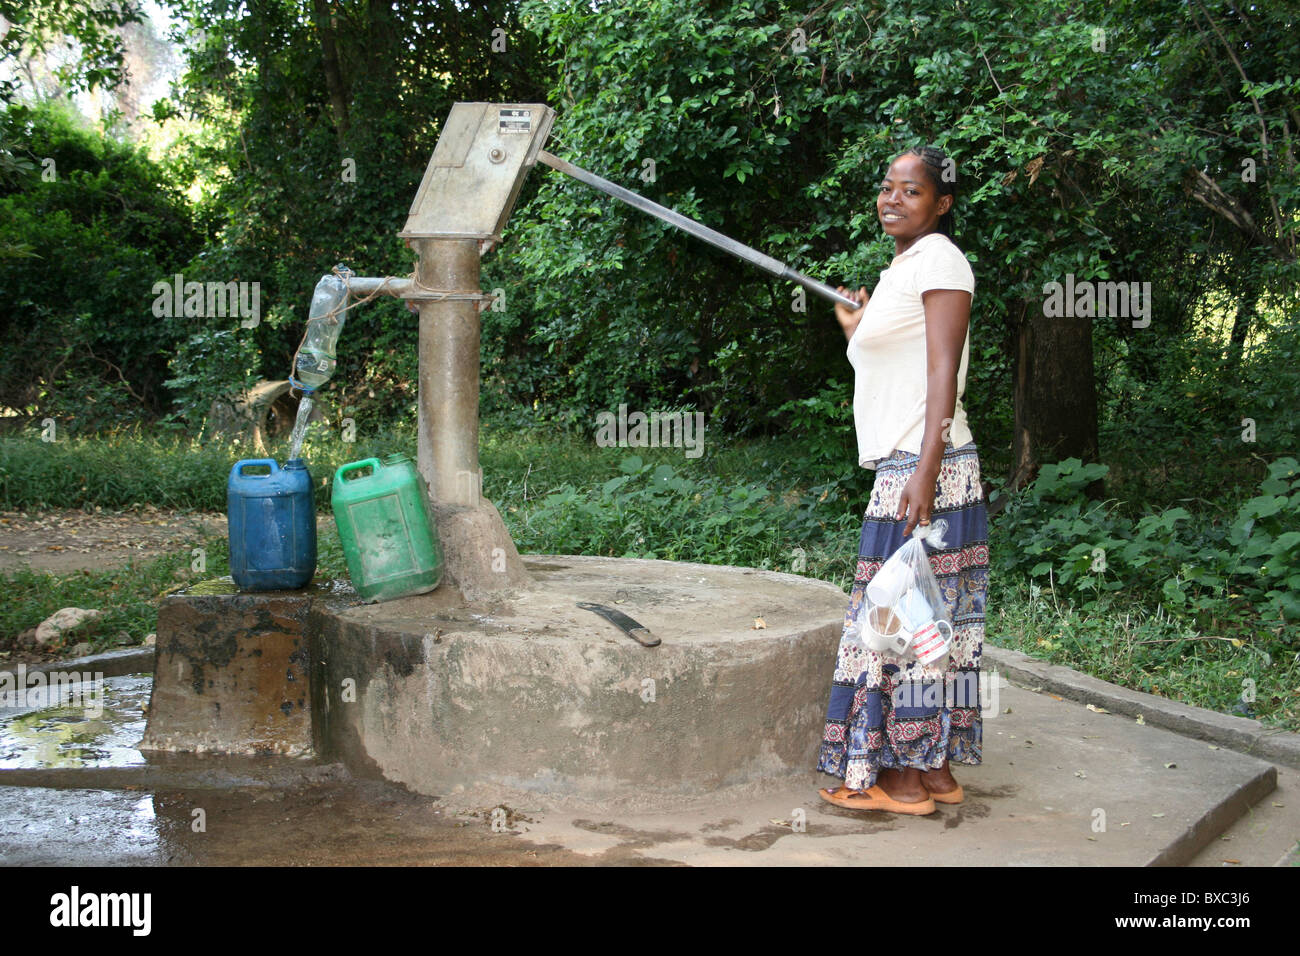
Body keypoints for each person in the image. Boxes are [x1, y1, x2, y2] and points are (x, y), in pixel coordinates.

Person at [816, 145, 990, 815]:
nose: (892, 199)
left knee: (896, 625)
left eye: (910, 191)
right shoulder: (905, 268)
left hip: (926, 469)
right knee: (927, 622)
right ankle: (935, 769)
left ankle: (903, 780)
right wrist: (858, 327)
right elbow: (896, 359)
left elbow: (943, 371)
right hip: (920, 463)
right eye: (887, 188)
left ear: (941, 204)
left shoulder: (941, 260)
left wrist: (924, 472)